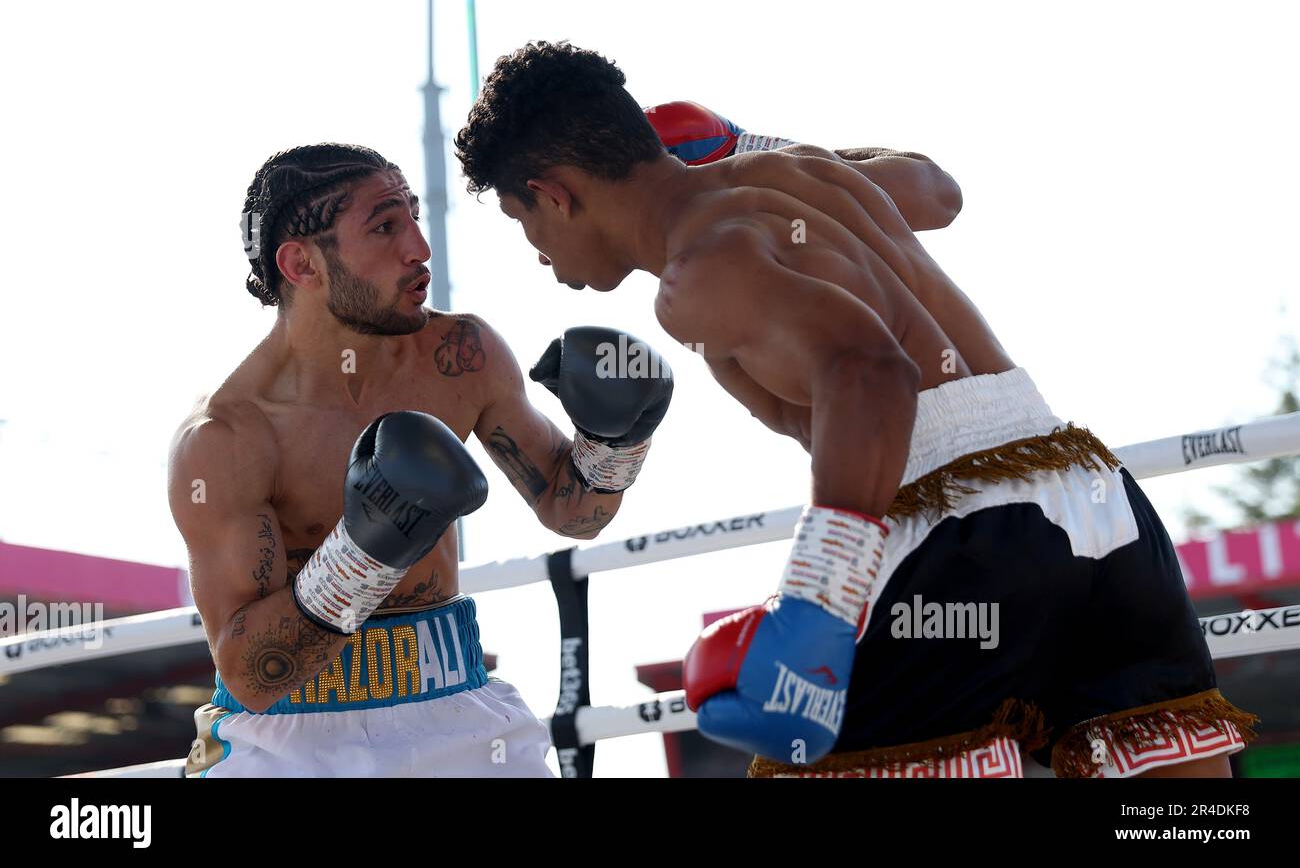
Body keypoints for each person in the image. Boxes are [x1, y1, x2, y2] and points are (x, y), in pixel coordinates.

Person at [453, 42, 1256, 778]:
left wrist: (819, 603)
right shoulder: (798, 176)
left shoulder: (699, 272)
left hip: (957, 529)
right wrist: (747, 142)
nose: (537, 251)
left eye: (523, 220)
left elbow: (874, 371)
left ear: (553, 195)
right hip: (1094, 500)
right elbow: (937, 190)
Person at [167, 143, 672, 777]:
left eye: (413, 216)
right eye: (384, 226)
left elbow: (575, 515)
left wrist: (616, 443)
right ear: (301, 264)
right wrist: (368, 550)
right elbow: (251, 677)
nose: (419, 248)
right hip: (290, 742)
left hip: (457, 708)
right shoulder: (227, 438)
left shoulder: (462, 355)